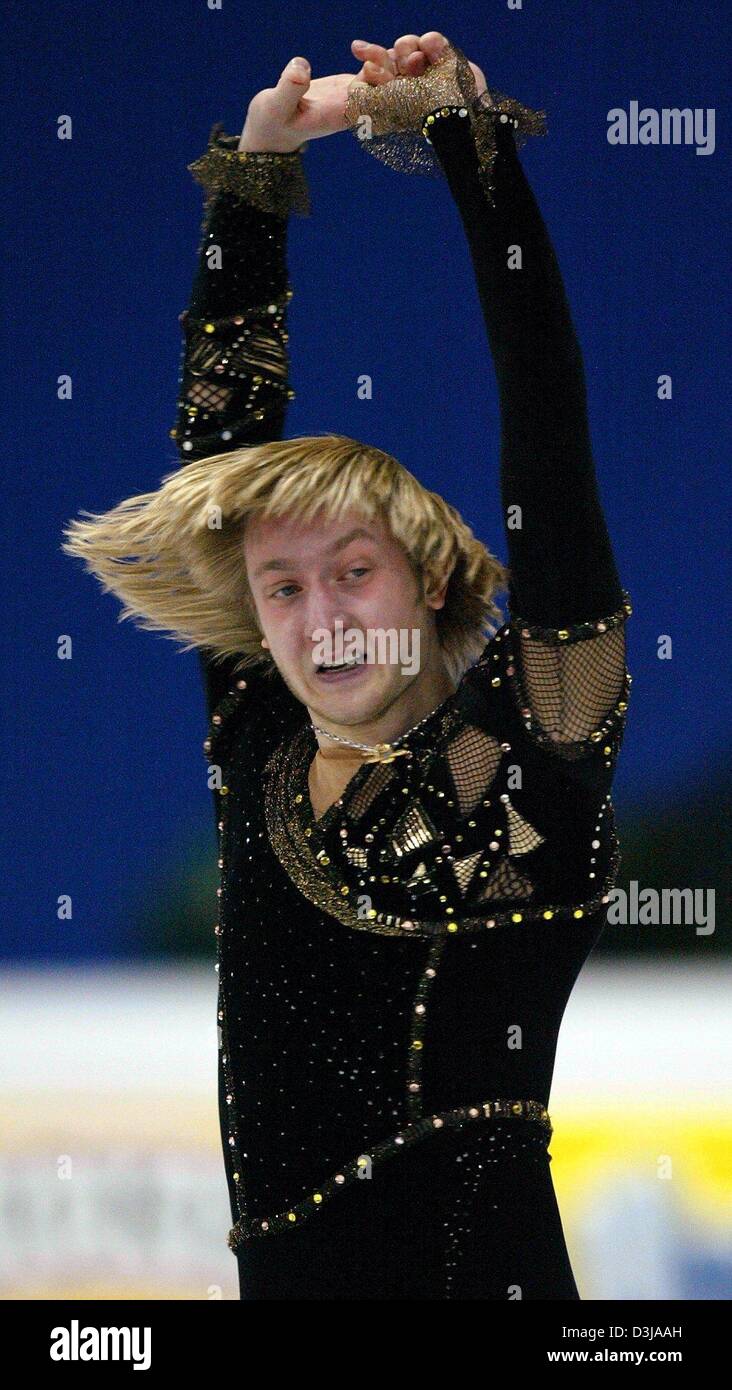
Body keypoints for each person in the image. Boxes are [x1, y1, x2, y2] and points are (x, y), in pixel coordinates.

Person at [62, 32, 633, 1299]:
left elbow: (547, 422)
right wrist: (254, 174)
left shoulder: (539, 737)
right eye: (282, 587)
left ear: (429, 575)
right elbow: (223, 431)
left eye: (353, 571)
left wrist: (471, 146)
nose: (317, 619)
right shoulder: (258, 733)